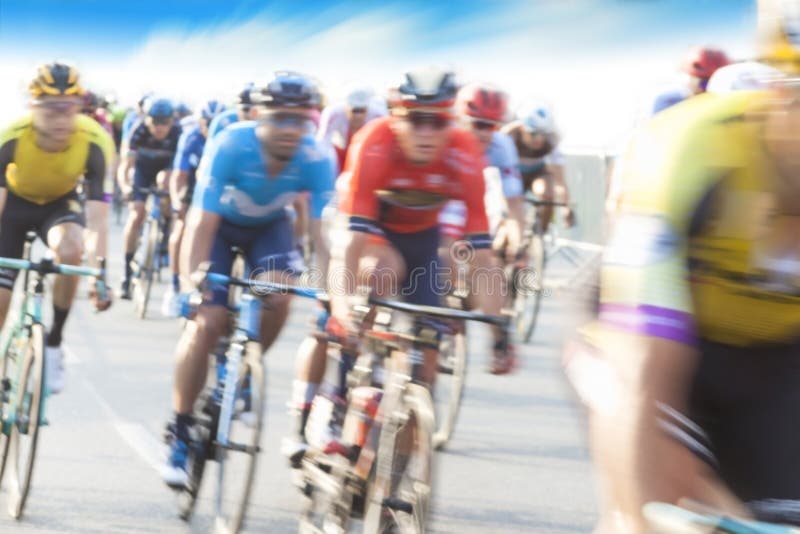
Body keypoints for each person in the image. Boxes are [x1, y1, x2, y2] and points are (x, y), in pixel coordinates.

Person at [568, 0, 800, 530]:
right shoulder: (689, 151)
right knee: (663, 495)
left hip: (774, 355)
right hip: (649, 338)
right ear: (778, 95)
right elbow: (643, 375)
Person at [284, 67, 513, 463]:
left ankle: (393, 481)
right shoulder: (374, 141)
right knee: (377, 277)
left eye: (437, 122)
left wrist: (499, 335)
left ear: (451, 122)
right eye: (415, 119)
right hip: (368, 228)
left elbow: (482, 258)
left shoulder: (464, 152)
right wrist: (343, 311)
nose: (426, 132)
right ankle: (335, 398)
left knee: (427, 349)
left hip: (421, 235)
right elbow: (349, 246)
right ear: (395, 117)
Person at [161, 72, 334, 487]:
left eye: (300, 120)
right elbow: (200, 223)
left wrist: (331, 296)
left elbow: (324, 236)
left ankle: (241, 369)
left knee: (280, 294)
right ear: (258, 115)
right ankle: (180, 429)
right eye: (280, 118)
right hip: (219, 228)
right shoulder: (231, 144)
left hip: (268, 228)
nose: (291, 129)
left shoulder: (317, 156)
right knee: (206, 322)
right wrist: (193, 285)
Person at [0, 63, 113, 393]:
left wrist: (99, 272)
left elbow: (97, 219)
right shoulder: (10, 137)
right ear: (33, 106)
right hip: (14, 206)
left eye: (70, 107)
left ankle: (54, 343)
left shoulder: (95, 140)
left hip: (60, 204)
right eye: (51, 108)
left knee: (71, 248)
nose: (62, 119)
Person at [161, 99, 227, 317]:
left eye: (216, 123)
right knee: (181, 228)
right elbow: (179, 176)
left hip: (220, 188)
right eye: (207, 123)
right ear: (200, 123)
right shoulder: (191, 137)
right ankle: (174, 285)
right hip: (193, 184)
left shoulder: (228, 140)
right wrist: (177, 202)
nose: (211, 128)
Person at [117, 98, 182, 299]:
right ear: (147, 119)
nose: (160, 127)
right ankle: (127, 273)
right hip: (142, 171)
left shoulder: (178, 133)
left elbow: (180, 171)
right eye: (155, 122)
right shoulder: (138, 131)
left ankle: (164, 232)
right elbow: (125, 166)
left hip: (166, 172)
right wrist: (125, 187)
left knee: (165, 185)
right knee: (136, 214)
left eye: (165, 122)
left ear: (172, 121)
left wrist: (176, 197)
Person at [502, 102, 574, 231]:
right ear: (522, 127)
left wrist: (566, 207)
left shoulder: (552, 140)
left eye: (543, 134)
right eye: (533, 133)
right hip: (513, 174)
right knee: (510, 221)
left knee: (548, 195)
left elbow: (560, 181)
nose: (539, 139)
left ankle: (541, 231)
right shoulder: (509, 135)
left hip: (537, 173)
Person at [316, 86, 387, 170]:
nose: (358, 116)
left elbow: (385, 148)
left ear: (368, 108)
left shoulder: (379, 114)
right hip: (341, 151)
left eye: (362, 111)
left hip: (366, 153)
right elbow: (322, 142)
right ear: (346, 107)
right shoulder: (333, 113)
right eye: (355, 111)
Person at [650, 46, 731, 116]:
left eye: (716, 84)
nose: (707, 90)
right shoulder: (669, 102)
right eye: (704, 84)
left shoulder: (729, 102)